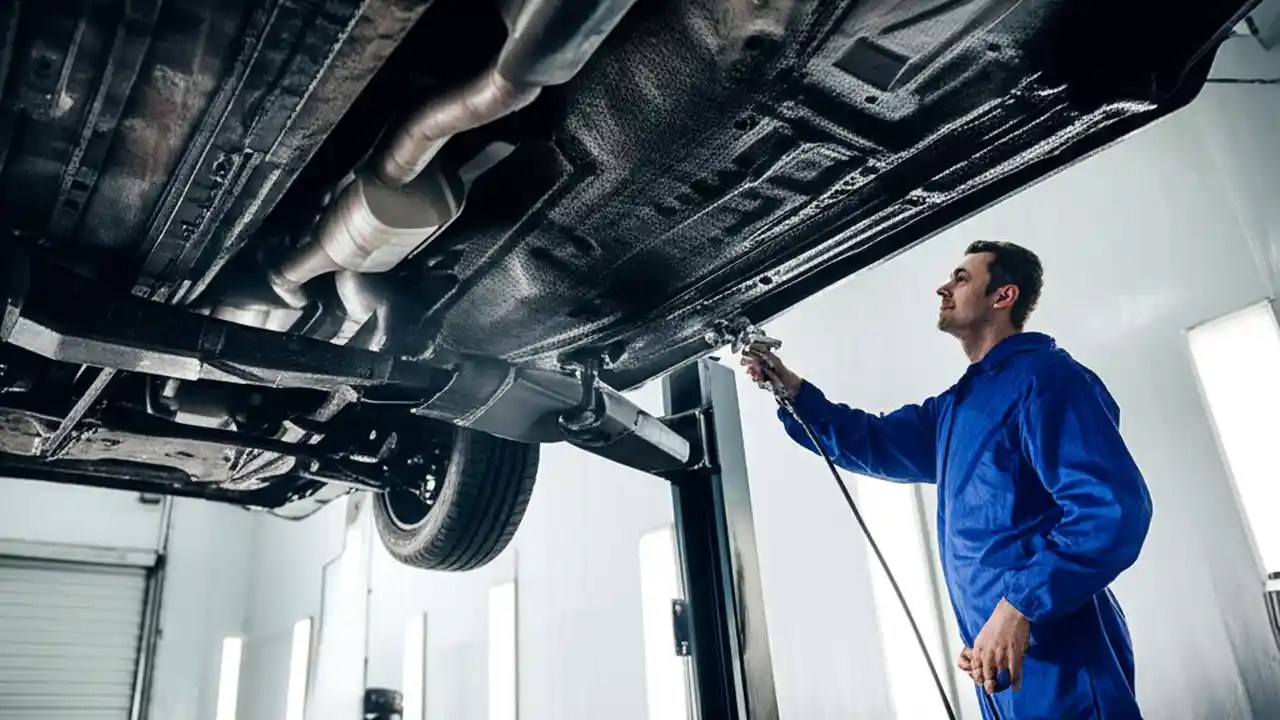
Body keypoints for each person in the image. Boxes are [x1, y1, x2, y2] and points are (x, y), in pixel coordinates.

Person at [743, 241, 1151, 720]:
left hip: (1061, 660)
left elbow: (1111, 511)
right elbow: (874, 440)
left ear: (1003, 297)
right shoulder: (960, 406)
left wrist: (1017, 607)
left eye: (962, 278)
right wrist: (791, 390)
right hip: (998, 659)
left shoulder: (1048, 380)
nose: (944, 287)